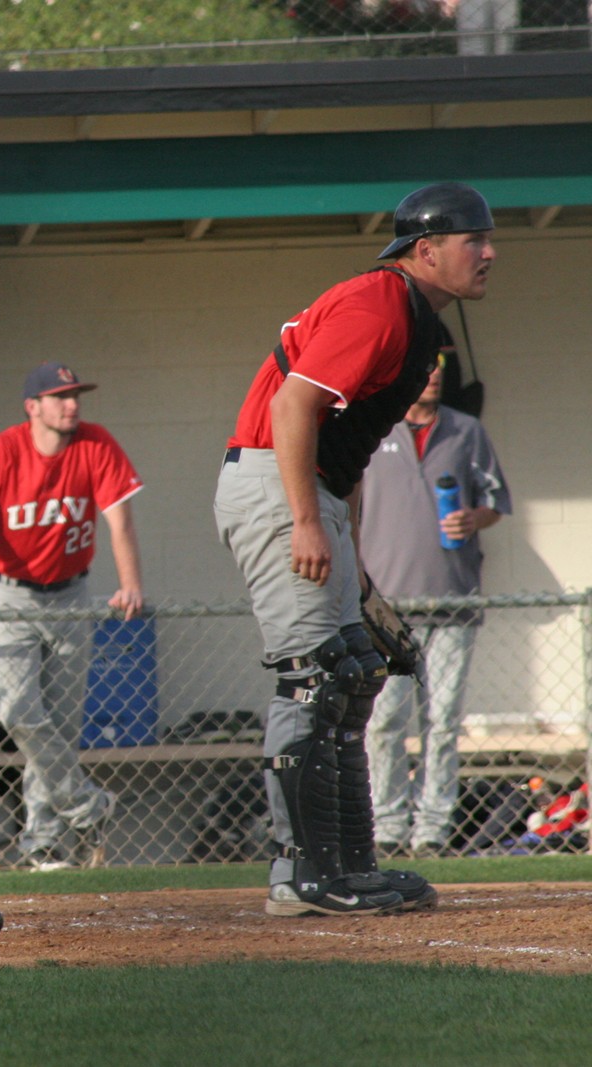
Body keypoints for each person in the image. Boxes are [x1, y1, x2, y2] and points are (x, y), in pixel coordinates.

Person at [213, 181, 495, 917]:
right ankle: (301, 875)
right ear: (425, 251)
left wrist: (358, 564)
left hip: (317, 491)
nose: (490, 252)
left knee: (357, 671)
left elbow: (353, 449)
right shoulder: (377, 303)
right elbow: (290, 407)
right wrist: (307, 521)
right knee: (315, 675)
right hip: (278, 482)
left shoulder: (420, 325)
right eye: (475, 240)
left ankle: (351, 864)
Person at [0, 362, 144, 870]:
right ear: (33, 406)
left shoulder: (96, 444)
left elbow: (119, 522)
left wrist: (130, 584)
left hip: (71, 597)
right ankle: (87, 805)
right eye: (60, 397)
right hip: (8, 598)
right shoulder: (3, 450)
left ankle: (44, 842)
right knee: (18, 712)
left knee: (57, 725)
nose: (71, 404)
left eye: (75, 395)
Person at [361, 342, 510, 859]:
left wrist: (474, 518)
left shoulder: (467, 431)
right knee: (383, 722)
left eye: (438, 368)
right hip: (388, 609)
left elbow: (495, 501)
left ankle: (432, 829)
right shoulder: (371, 430)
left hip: (452, 602)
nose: (433, 377)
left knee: (442, 723)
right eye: (423, 368)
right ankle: (388, 826)